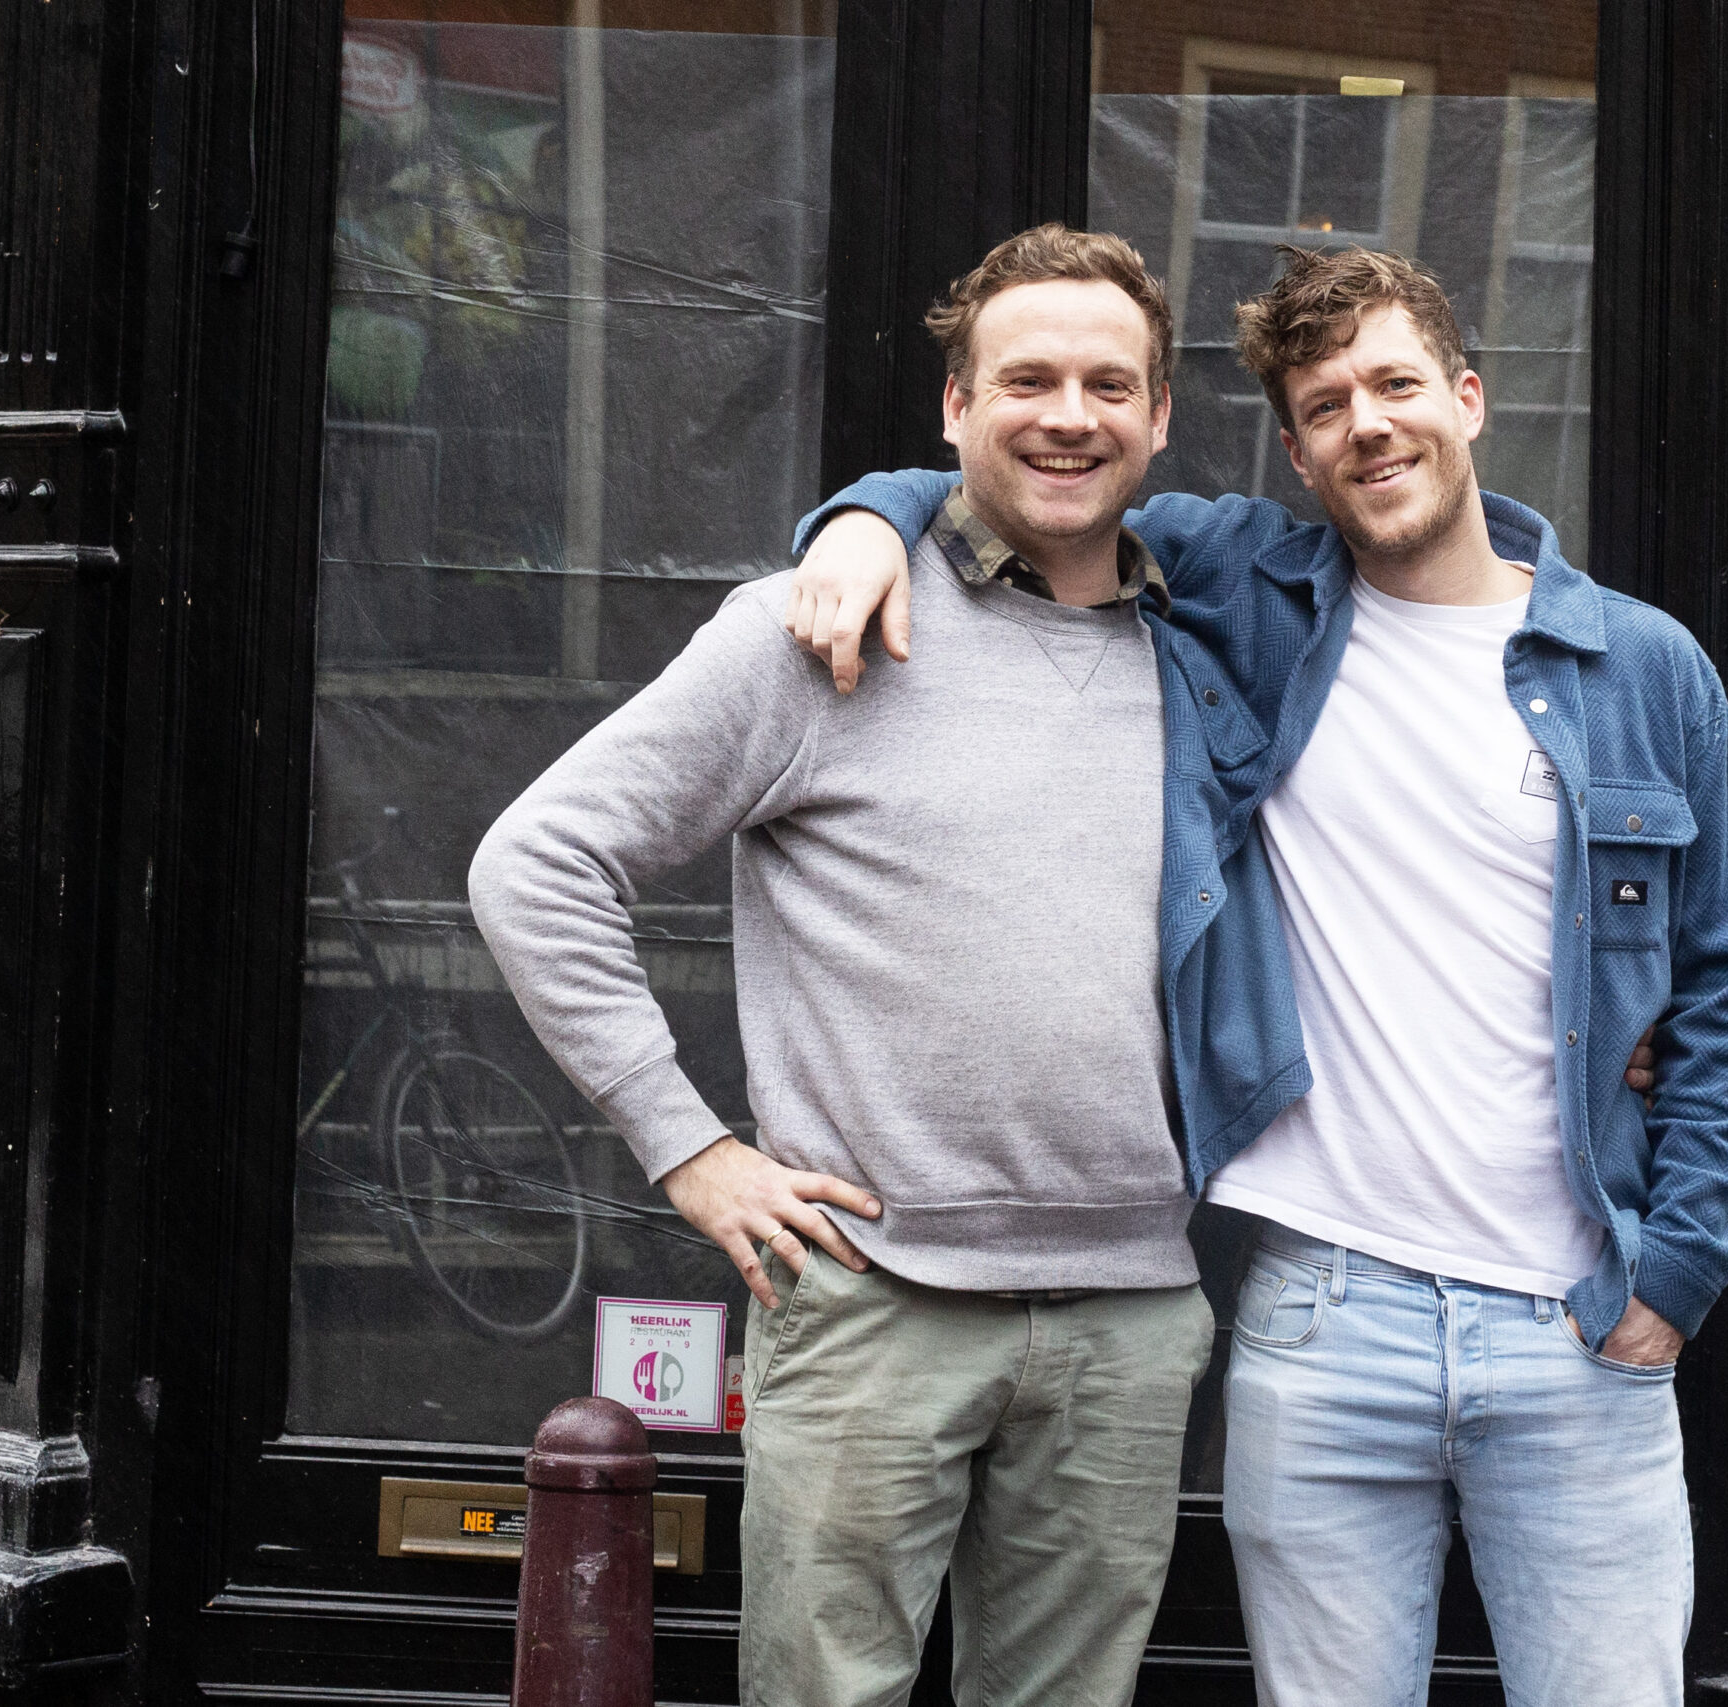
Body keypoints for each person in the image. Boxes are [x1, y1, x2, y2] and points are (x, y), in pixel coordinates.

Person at [788, 243, 1728, 1707]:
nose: (1366, 424)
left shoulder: (1640, 666)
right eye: (1325, 408)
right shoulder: (1250, 589)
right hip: (1325, 1318)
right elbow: (1042, 473)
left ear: (1469, 397)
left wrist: (1681, 1270)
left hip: (1578, 1322)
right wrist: (864, 520)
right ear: (1299, 454)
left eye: (1394, 385)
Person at [467, 226, 1222, 1707]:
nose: (1071, 414)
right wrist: (688, 1150)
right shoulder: (818, 630)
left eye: (1109, 384)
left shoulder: (1210, 642)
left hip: (1131, 1304)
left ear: (1160, 419)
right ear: (953, 409)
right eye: (1028, 379)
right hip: (873, 1292)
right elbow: (537, 863)